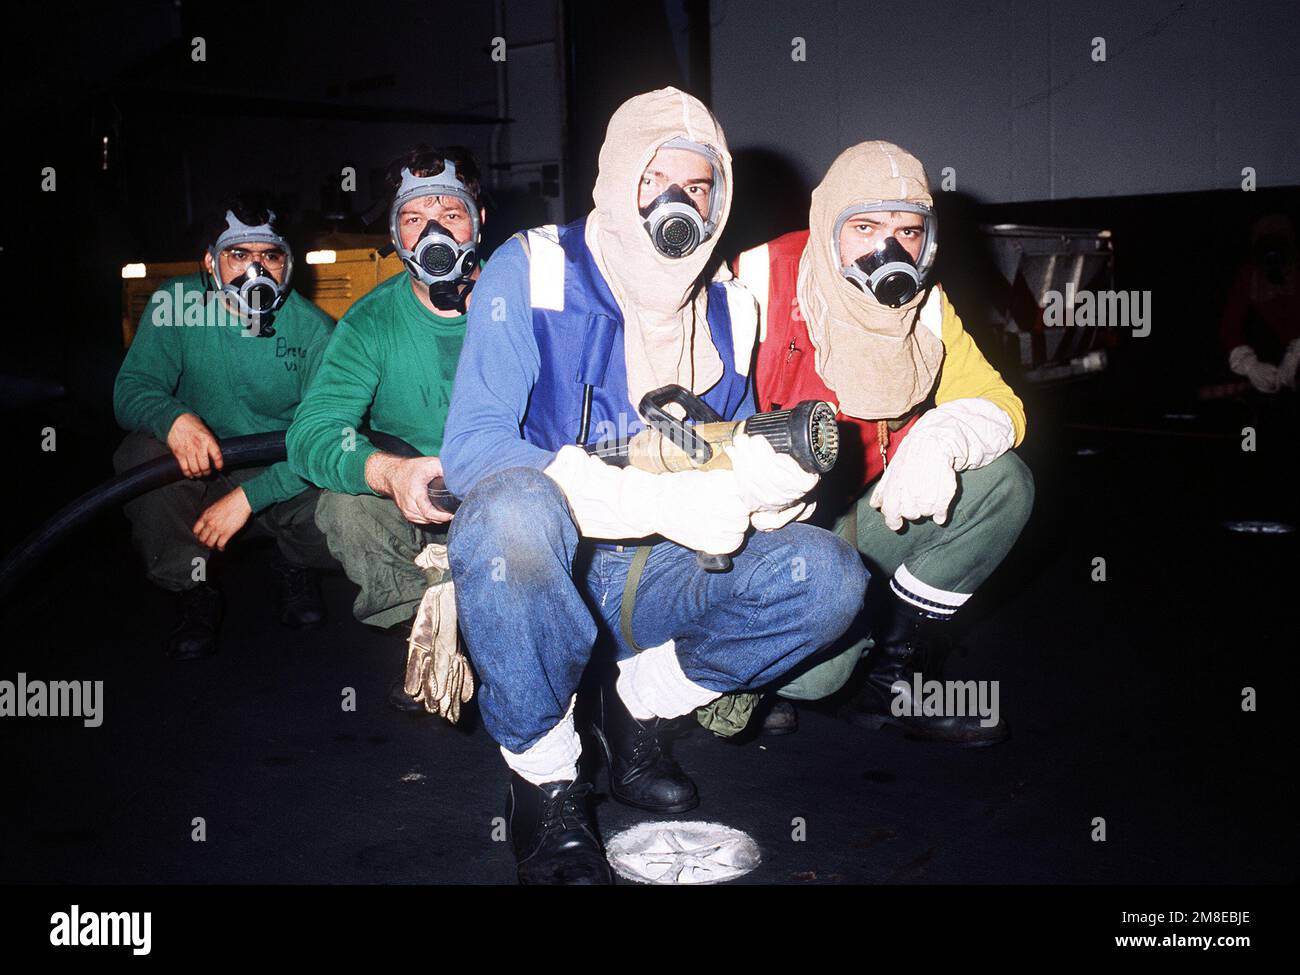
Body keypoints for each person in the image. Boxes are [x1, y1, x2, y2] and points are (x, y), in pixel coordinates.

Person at [440, 88, 867, 884]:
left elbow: (726, 454)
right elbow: (470, 451)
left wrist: (770, 488)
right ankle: (544, 781)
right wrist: (635, 493)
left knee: (828, 574)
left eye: (698, 186)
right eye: (656, 179)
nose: (679, 202)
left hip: (660, 572)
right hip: (547, 566)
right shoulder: (529, 270)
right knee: (508, 514)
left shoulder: (730, 309)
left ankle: (638, 702)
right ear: (616, 178)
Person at [735, 141, 1033, 745]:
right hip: (750, 537)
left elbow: (1003, 406)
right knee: (812, 680)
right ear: (829, 226)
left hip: (852, 517)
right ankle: (734, 671)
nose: (889, 252)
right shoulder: (753, 283)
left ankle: (894, 677)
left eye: (908, 231)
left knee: (1003, 483)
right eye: (866, 227)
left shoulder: (923, 305)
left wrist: (943, 436)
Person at [286, 146, 483, 712]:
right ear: (396, 236)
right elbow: (313, 432)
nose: (432, 233)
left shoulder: (522, 302)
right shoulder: (370, 320)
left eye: (450, 214)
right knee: (344, 508)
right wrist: (390, 472)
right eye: (414, 219)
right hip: (419, 502)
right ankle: (424, 624)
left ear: (479, 221)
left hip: (508, 490)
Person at [113, 196, 335, 659]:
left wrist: (250, 497)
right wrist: (172, 417)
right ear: (211, 262)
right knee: (139, 457)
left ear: (286, 264)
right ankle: (191, 585)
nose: (256, 270)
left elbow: (329, 438)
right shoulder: (176, 303)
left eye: (270, 256)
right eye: (239, 255)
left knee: (347, 499)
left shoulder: (314, 331)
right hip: (200, 470)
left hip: (284, 474)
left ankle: (293, 563)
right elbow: (131, 389)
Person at [1220, 213, 1300, 394]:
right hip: (1274, 347)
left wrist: (1297, 352)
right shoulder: (1249, 276)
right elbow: (1230, 325)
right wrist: (1249, 364)